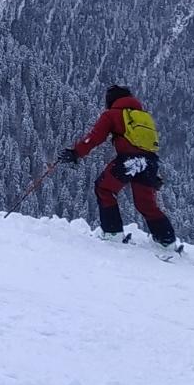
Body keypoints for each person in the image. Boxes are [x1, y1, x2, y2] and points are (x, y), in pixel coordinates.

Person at [58, 85, 183, 258]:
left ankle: (112, 232)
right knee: (146, 203)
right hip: (150, 162)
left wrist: (76, 152)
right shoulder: (143, 116)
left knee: (104, 188)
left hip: (129, 160)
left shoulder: (112, 114)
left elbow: (95, 137)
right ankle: (166, 240)